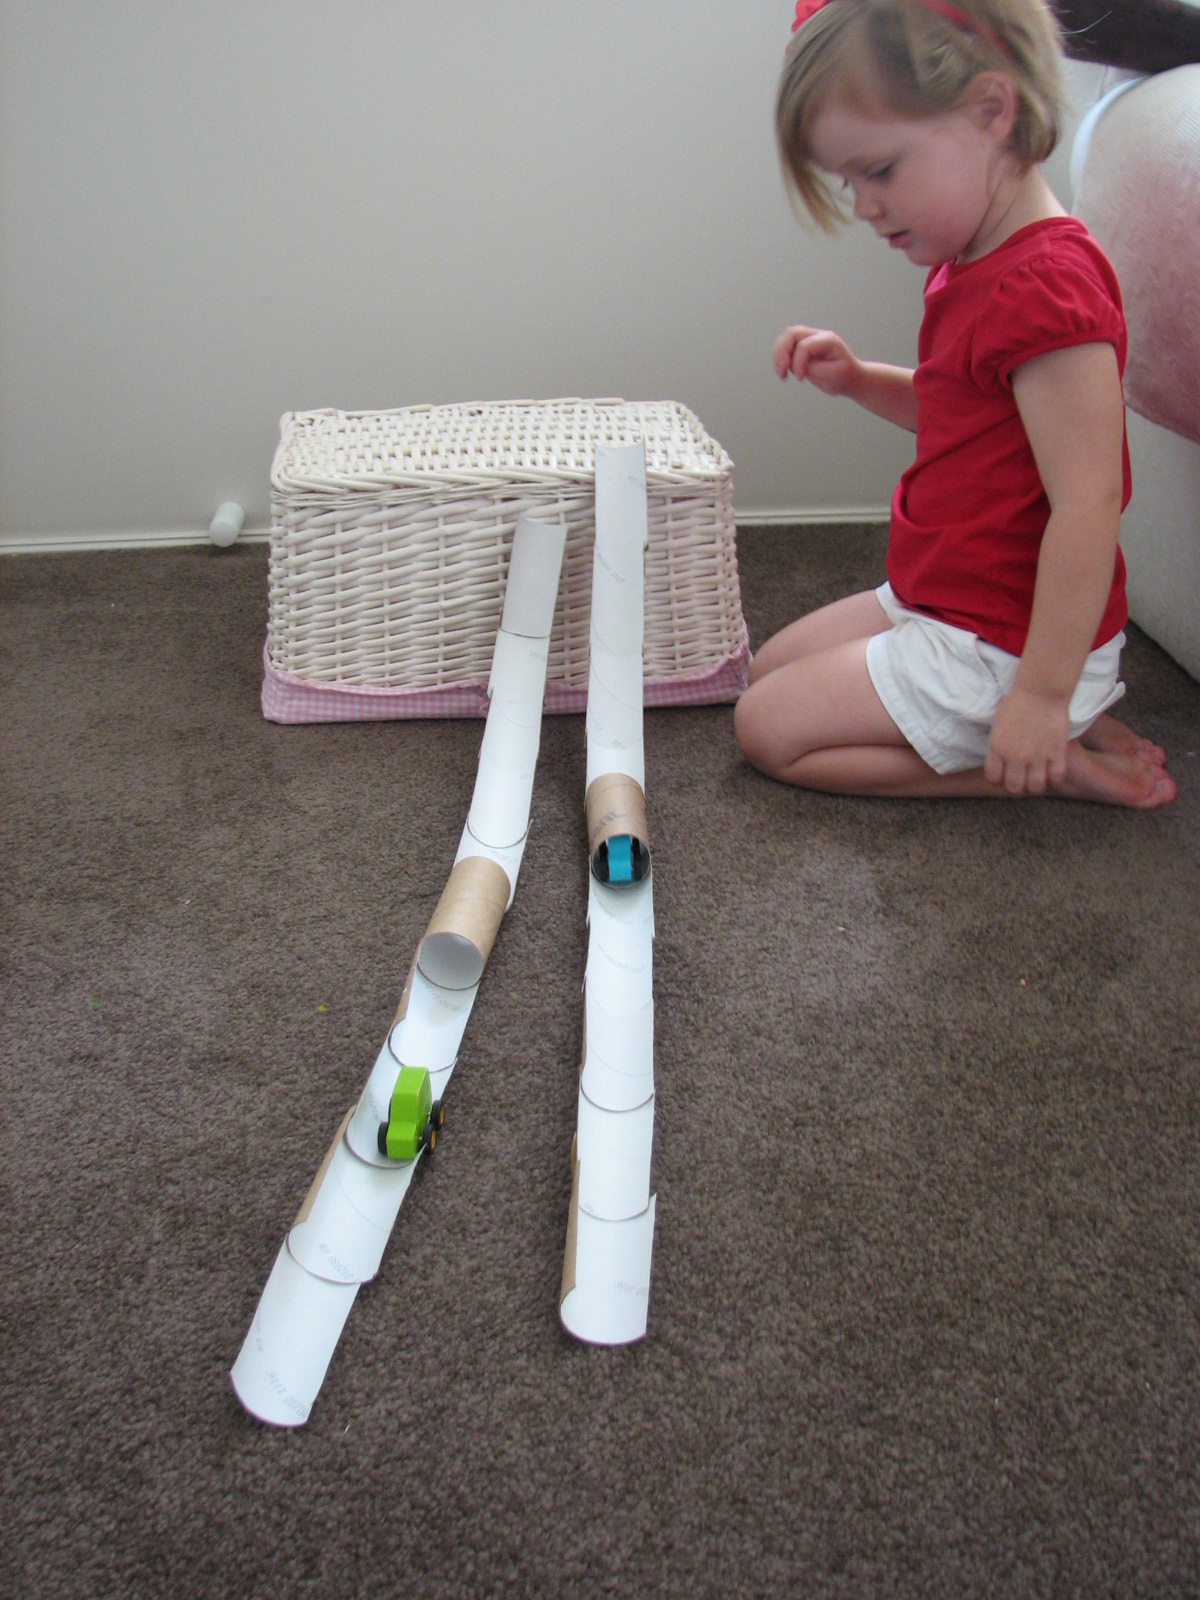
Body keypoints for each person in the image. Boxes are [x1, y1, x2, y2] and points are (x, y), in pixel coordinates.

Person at [734, 0, 1176, 806]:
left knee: (766, 730)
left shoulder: (1045, 288)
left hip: (1005, 641)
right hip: (942, 596)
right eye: (847, 181)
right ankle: (1058, 726)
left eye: (880, 171)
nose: (863, 206)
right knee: (767, 669)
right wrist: (861, 379)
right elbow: (963, 417)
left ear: (990, 111)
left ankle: (1045, 758)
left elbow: (1090, 504)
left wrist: (1039, 700)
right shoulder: (974, 256)